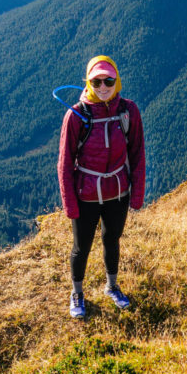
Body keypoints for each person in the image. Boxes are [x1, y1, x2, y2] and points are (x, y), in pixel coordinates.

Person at [57, 55, 146, 319]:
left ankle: (112, 286)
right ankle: (77, 293)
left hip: (117, 194)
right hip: (85, 196)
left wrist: (137, 195)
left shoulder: (128, 111)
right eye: (97, 81)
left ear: (117, 81)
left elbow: (137, 153)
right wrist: (70, 205)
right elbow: (64, 163)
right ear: (88, 82)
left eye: (109, 80)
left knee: (112, 240)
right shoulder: (76, 116)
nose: (103, 86)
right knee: (80, 247)